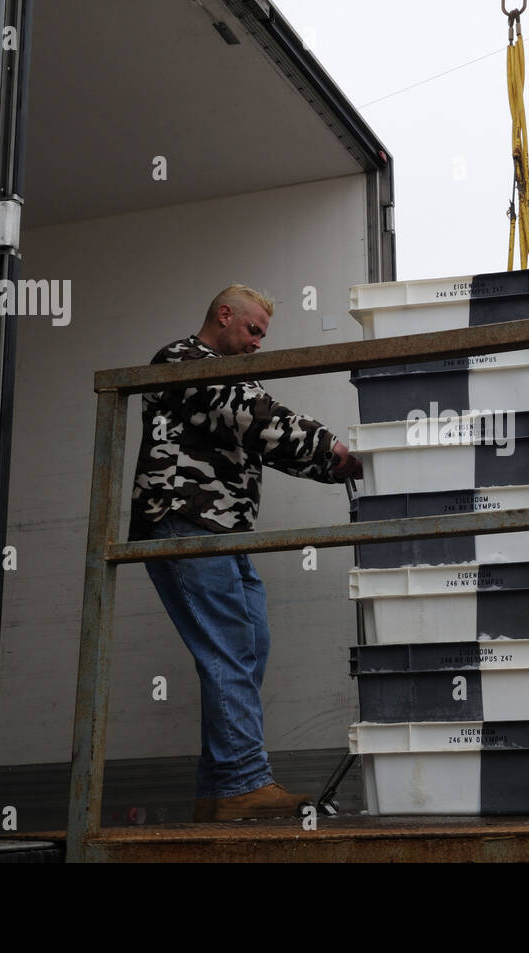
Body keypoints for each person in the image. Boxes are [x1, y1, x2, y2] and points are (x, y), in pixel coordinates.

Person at [129, 283, 362, 821]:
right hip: (186, 523)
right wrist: (333, 449)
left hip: (220, 532)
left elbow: (264, 439)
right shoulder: (184, 360)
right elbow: (253, 417)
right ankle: (241, 783)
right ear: (224, 314)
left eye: (263, 334)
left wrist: (335, 465)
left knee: (246, 646)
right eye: (253, 329)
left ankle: (219, 792)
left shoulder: (231, 380)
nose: (258, 341)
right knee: (231, 646)